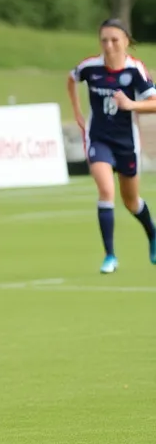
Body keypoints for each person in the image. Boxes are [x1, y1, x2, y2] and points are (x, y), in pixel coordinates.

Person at [68, 18, 156, 271]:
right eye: (104, 40)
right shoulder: (90, 67)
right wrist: (76, 112)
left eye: (115, 40)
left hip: (126, 142)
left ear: (126, 41)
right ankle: (110, 256)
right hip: (98, 138)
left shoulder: (135, 70)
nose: (109, 45)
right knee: (106, 191)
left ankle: (152, 233)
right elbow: (71, 79)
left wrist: (131, 105)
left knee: (131, 201)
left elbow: (153, 102)